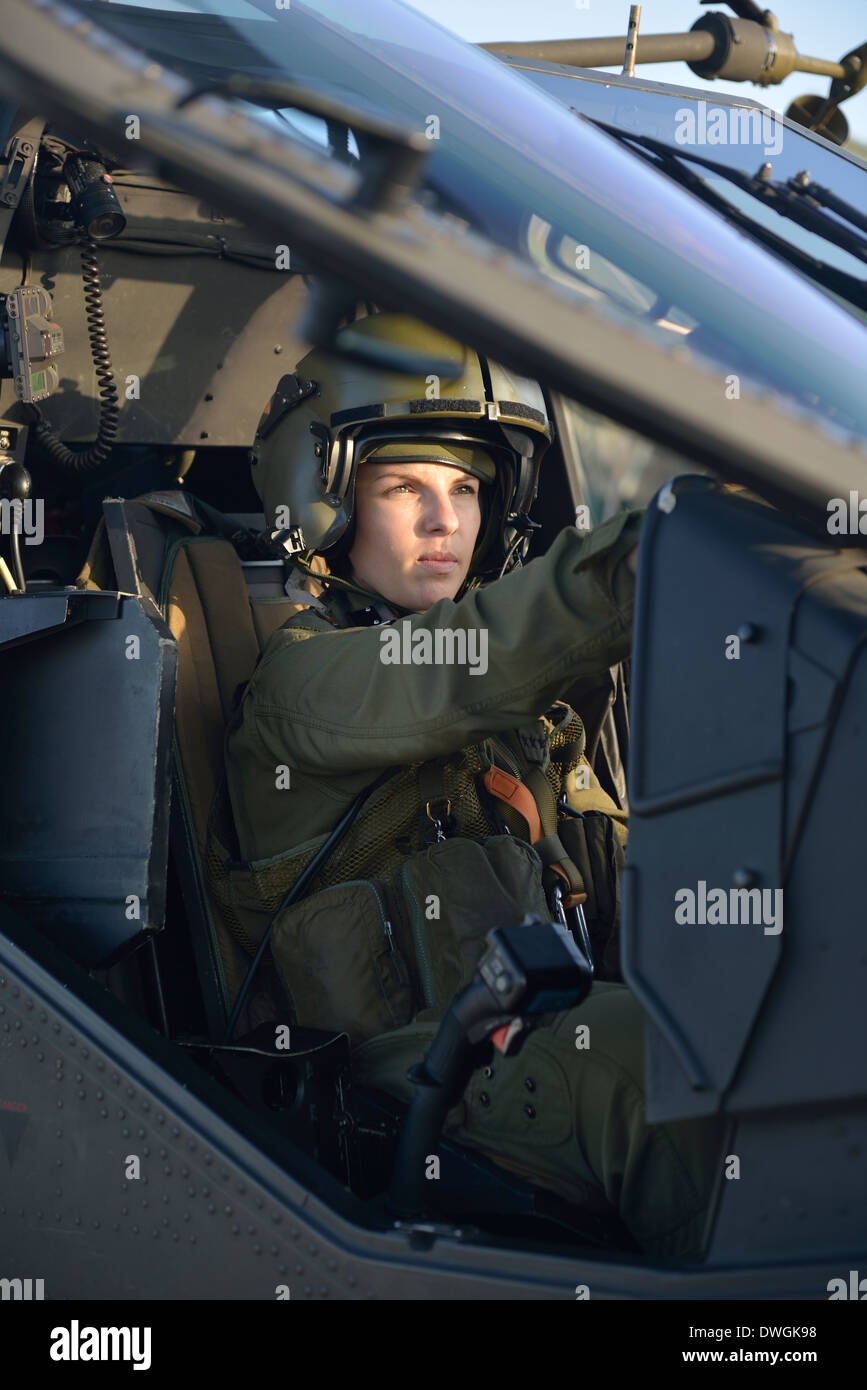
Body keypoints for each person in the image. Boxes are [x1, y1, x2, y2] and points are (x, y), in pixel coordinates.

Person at [222, 311, 725, 1259]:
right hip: (400, 1075)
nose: (445, 519)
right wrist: (659, 550)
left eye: (465, 488)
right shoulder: (305, 686)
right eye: (403, 486)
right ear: (324, 501)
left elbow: (613, 864)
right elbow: (466, 664)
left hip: (519, 1028)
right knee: (642, 1069)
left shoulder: (519, 721)